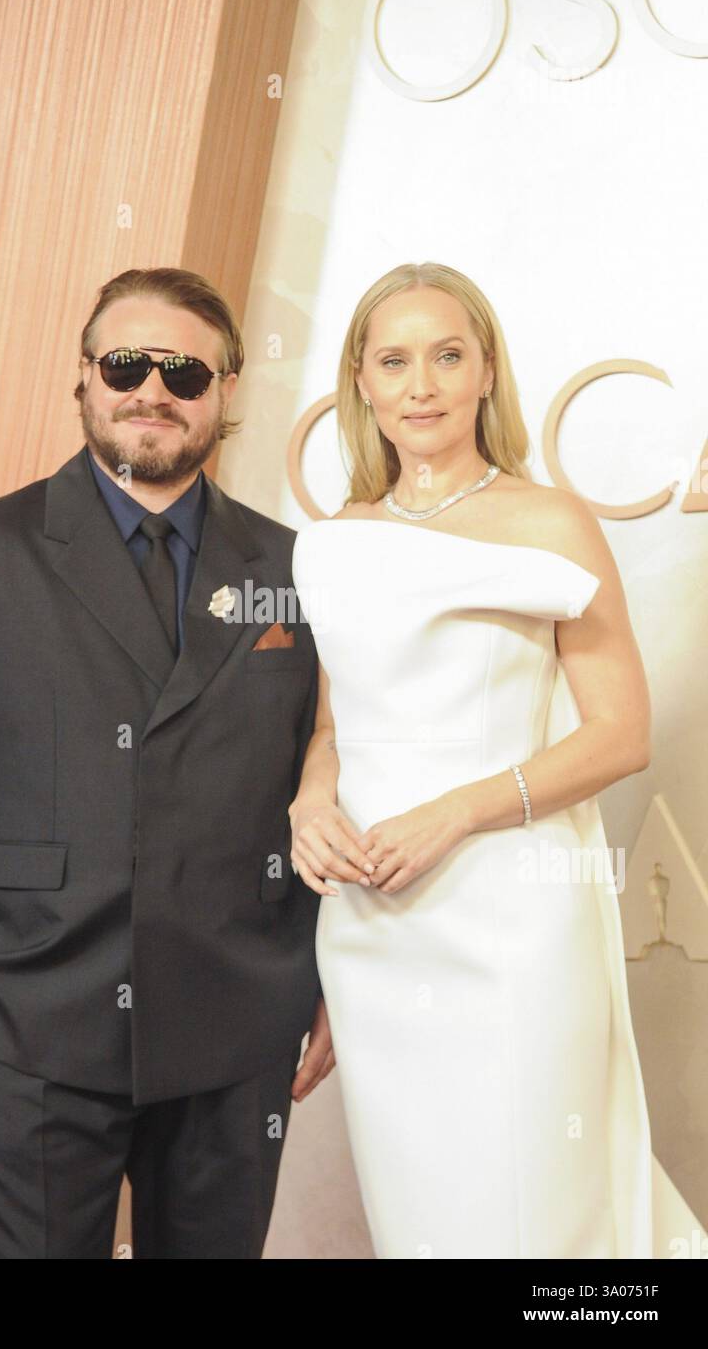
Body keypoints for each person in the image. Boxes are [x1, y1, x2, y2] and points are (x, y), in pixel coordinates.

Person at [0, 266, 333, 1259]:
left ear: (226, 393)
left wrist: (338, 975)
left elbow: (326, 776)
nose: (152, 390)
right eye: (126, 363)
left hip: (238, 1016)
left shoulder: (298, 572)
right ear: (84, 376)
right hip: (31, 1007)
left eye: (185, 373)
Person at [289, 261, 656, 1258]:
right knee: (426, 1215)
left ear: (487, 370)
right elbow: (334, 723)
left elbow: (623, 733)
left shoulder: (550, 521)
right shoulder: (332, 542)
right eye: (395, 360)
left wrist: (454, 813)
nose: (423, 386)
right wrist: (309, 803)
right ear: (360, 381)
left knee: (539, 1205)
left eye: (448, 355)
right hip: (374, 919)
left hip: (515, 908)